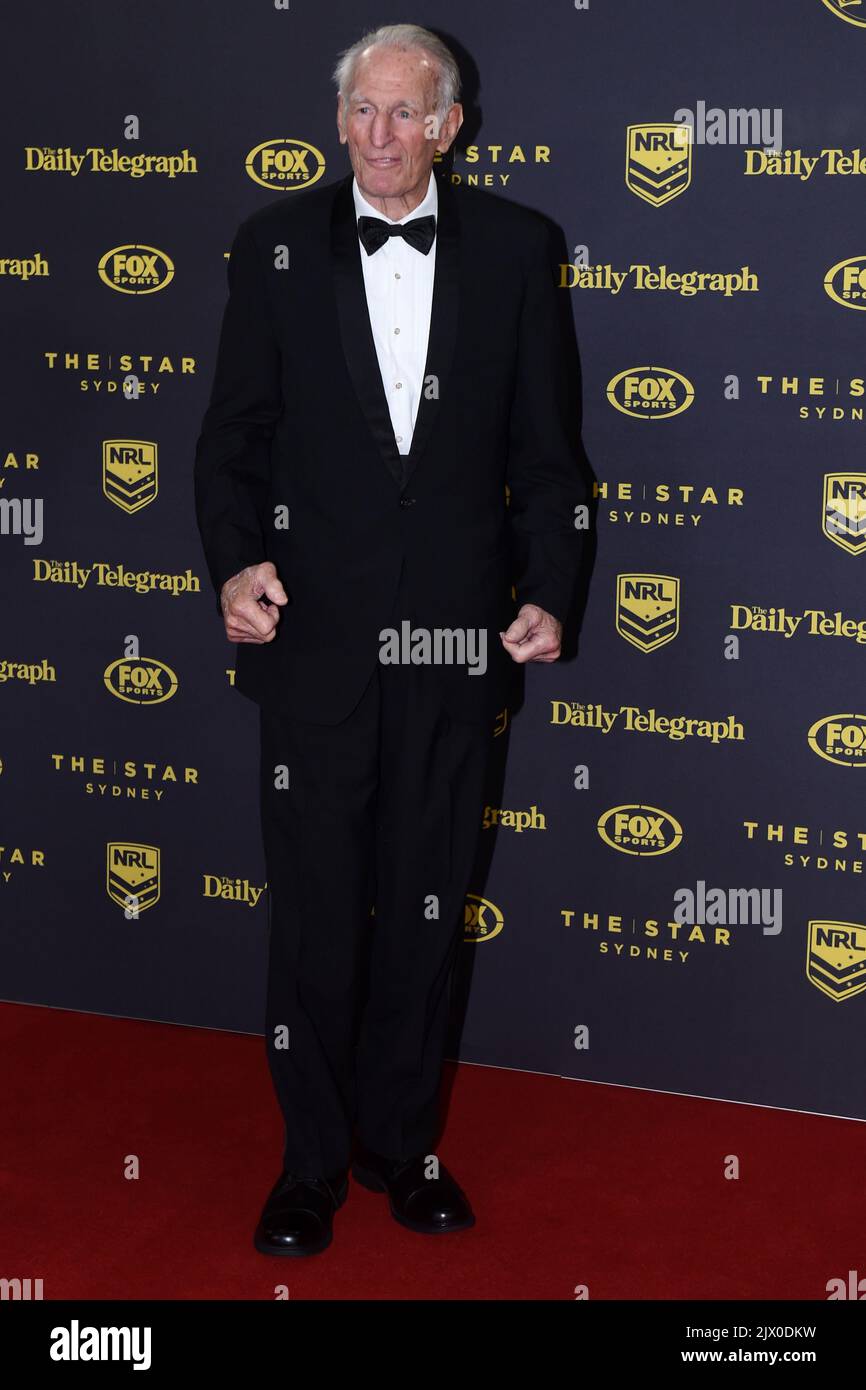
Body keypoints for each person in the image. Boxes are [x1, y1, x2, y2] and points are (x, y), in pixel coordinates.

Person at [194, 22, 588, 1256]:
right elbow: (230, 441)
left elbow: (549, 455)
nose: (377, 136)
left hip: (455, 650)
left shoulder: (519, 251)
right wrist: (237, 562)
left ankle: (401, 1146)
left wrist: (550, 585)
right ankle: (308, 1164)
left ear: (449, 125)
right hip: (312, 643)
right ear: (339, 117)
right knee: (314, 914)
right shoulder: (267, 250)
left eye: (404, 113)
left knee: (426, 912)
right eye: (360, 111)